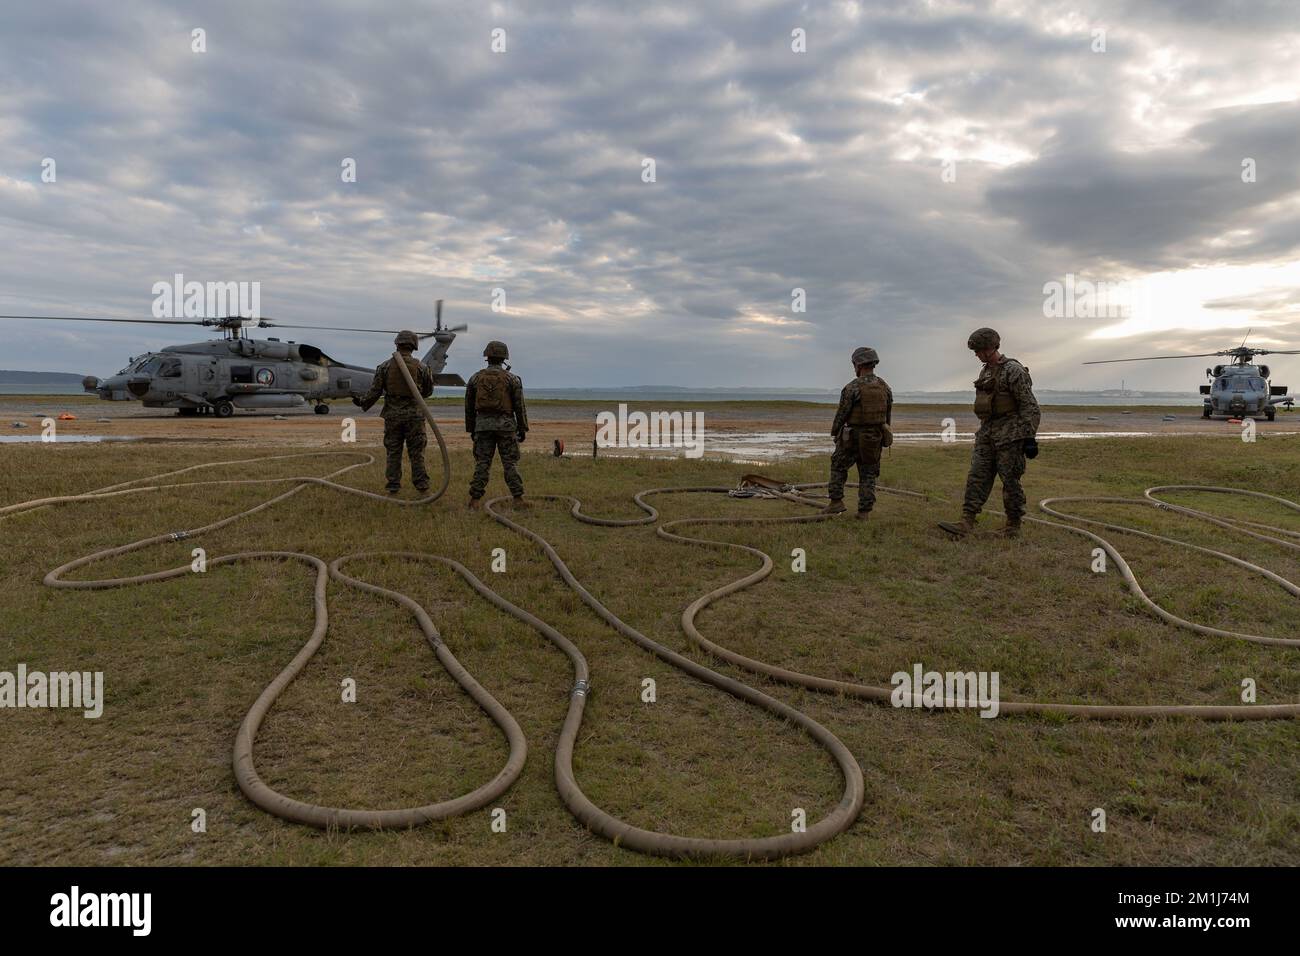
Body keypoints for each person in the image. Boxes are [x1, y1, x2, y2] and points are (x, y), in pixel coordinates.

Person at [939, 327, 1040, 539]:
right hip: (988, 433)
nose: (976, 355)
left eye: (978, 350)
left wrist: (1029, 437)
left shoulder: (1013, 370)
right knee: (977, 475)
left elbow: (1029, 406)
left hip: (1011, 436)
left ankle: (1013, 525)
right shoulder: (985, 371)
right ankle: (967, 521)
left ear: (990, 348)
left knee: (1010, 480)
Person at [353, 330, 434, 494]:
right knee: (417, 453)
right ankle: (422, 486)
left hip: (392, 417)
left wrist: (362, 403)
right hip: (414, 417)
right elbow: (428, 391)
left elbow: (374, 392)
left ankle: (393, 486)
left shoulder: (385, 367)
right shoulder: (422, 367)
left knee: (393, 452)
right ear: (414, 346)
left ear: (397, 344)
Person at [823, 346, 892, 520]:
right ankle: (864, 512)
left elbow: (842, 414)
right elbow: (887, 416)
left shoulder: (852, 387)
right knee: (868, 474)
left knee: (838, 466)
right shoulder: (885, 387)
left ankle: (836, 502)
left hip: (852, 437)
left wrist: (835, 433)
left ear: (858, 364)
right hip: (874, 438)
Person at [465, 340, 528, 509]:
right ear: (504, 358)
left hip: (482, 426)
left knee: (482, 463)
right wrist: (522, 428)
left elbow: (469, 407)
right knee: (510, 463)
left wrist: (472, 429)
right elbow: (519, 407)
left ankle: (475, 500)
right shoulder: (512, 379)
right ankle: (518, 499)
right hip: (506, 427)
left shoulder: (475, 378)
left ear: (487, 357)